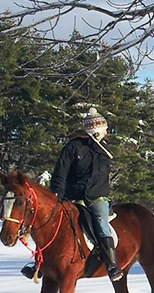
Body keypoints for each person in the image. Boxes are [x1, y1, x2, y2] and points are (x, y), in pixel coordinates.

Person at [48, 107, 122, 281]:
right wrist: (57, 193)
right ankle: (37, 263)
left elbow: (100, 179)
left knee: (100, 223)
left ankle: (111, 264)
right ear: (96, 131)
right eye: (104, 128)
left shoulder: (103, 151)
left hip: (97, 198)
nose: (107, 131)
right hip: (73, 197)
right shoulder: (73, 147)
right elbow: (60, 172)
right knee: (52, 224)